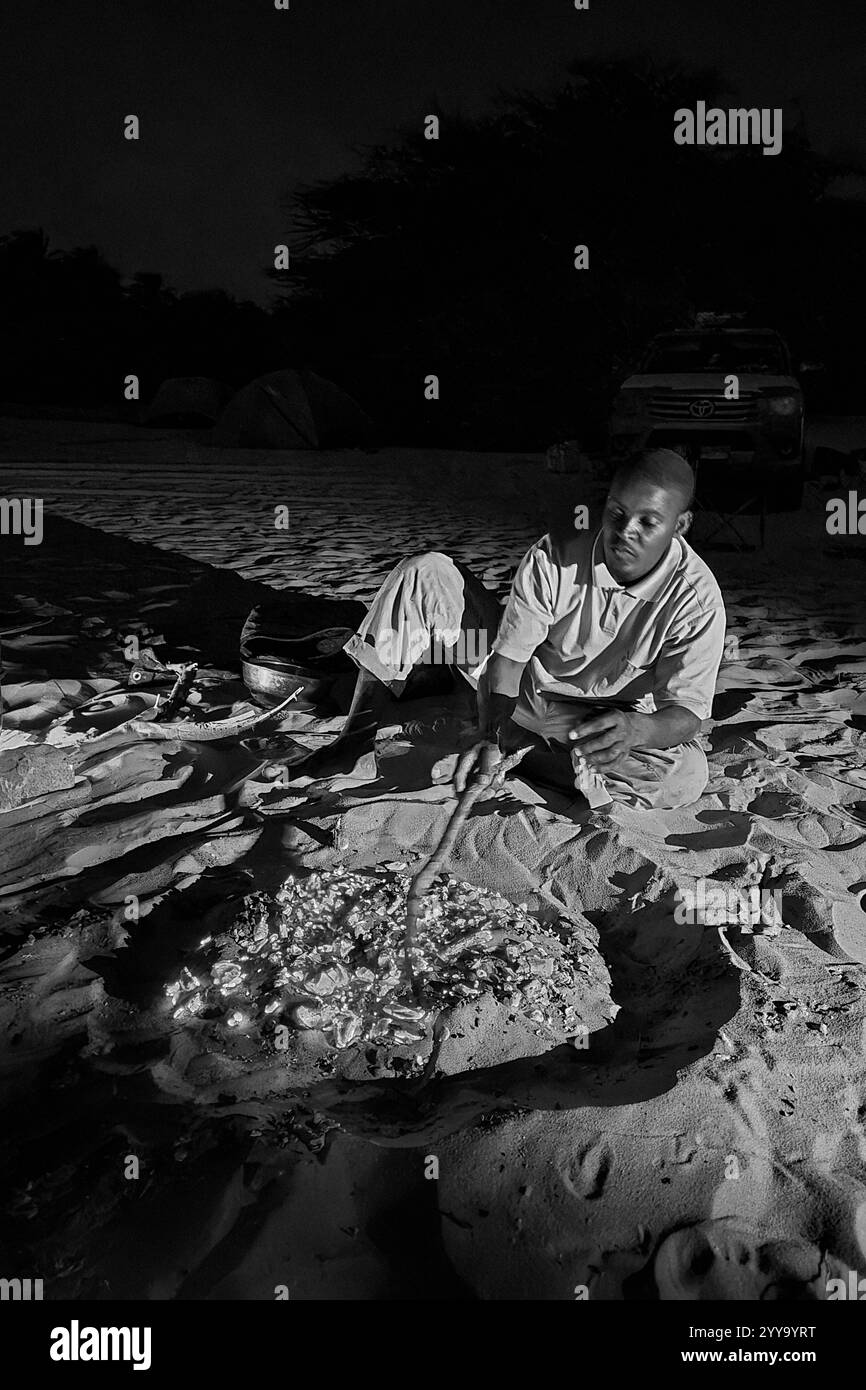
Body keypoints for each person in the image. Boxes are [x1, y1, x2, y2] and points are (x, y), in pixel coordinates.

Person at [333, 447, 727, 811]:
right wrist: (492, 732)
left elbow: (687, 712)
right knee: (425, 572)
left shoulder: (697, 598)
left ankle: (518, 753)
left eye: (649, 522)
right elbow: (507, 660)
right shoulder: (557, 553)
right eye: (617, 514)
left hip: (595, 721)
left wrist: (637, 729)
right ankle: (354, 738)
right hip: (515, 691)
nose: (626, 531)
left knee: (685, 774)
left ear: (681, 525)